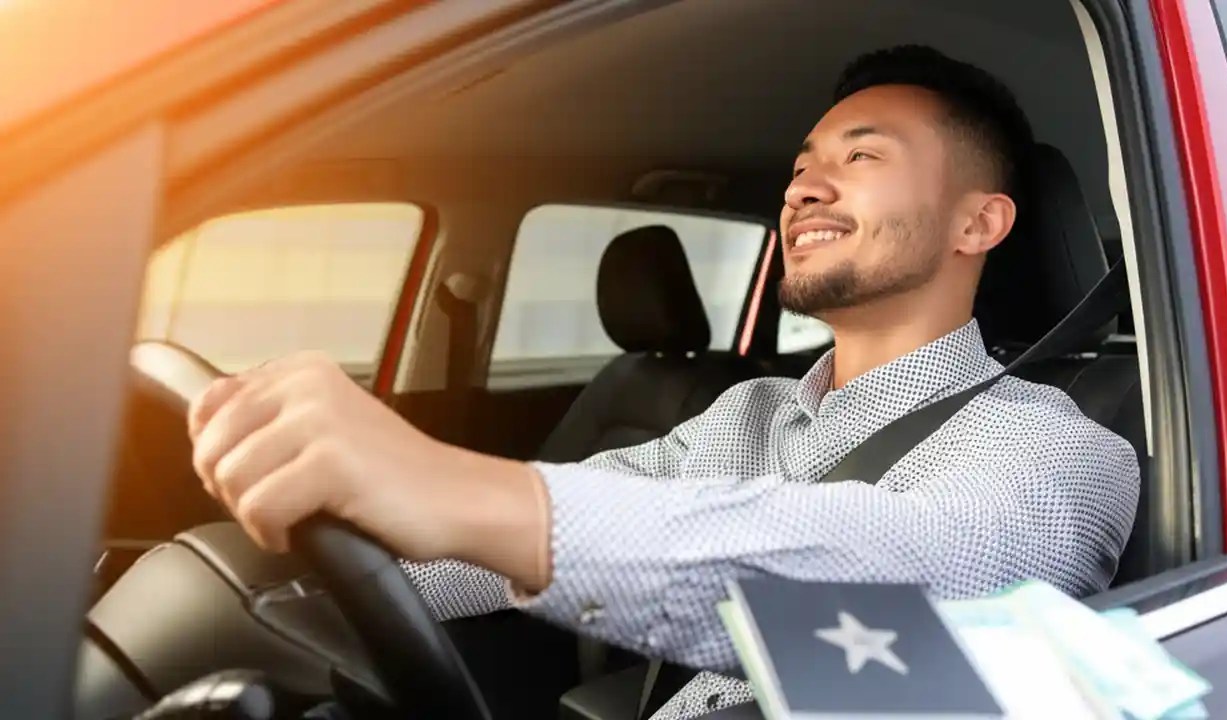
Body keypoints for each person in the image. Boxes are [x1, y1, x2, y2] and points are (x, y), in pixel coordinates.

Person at [189, 45, 1140, 718]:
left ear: (979, 224)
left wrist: (446, 487)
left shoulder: (1060, 446)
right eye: (802, 167)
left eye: (860, 156)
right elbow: (579, 509)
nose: (802, 188)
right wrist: (305, 596)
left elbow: (916, 574)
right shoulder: (749, 413)